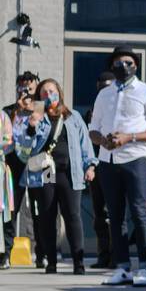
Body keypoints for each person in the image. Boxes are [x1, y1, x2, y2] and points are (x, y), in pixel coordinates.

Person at [89, 47, 146, 287]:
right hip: (107, 160)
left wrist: (129, 137)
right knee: (114, 215)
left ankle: (145, 266)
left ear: (135, 65)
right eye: (118, 62)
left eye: (128, 62)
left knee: (139, 212)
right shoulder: (105, 94)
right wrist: (103, 141)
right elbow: (93, 129)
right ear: (111, 66)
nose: (123, 66)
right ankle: (122, 266)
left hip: (134, 158)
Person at [13, 78, 96, 275]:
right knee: (48, 216)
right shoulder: (36, 117)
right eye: (43, 92)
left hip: (69, 171)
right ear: (38, 97)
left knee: (72, 215)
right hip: (47, 172)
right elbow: (23, 147)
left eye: (52, 91)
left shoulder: (73, 116)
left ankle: (78, 261)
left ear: (59, 92)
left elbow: (85, 143)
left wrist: (90, 165)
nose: (48, 95)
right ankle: (51, 261)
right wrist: (32, 126)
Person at [2, 71, 38, 264]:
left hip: (40, 164)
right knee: (10, 209)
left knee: (43, 207)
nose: (26, 93)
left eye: (30, 89)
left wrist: (32, 112)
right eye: (22, 89)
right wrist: (18, 111)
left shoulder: (41, 110)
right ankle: (6, 253)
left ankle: (45, 253)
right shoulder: (8, 111)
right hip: (13, 165)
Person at [85, 69, 116, 268]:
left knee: (115, 214)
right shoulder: (92, 112)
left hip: (117, 168)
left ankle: (117, 256)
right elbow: (89, 143)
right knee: (99, 215)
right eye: (101, 89)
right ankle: (103, 255)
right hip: (98, 168)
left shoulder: (121, 111)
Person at [0, 107, 13, 269]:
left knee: (3, 212)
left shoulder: (3, 116)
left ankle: (4, 254)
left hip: (0, 168)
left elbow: (9, 141)